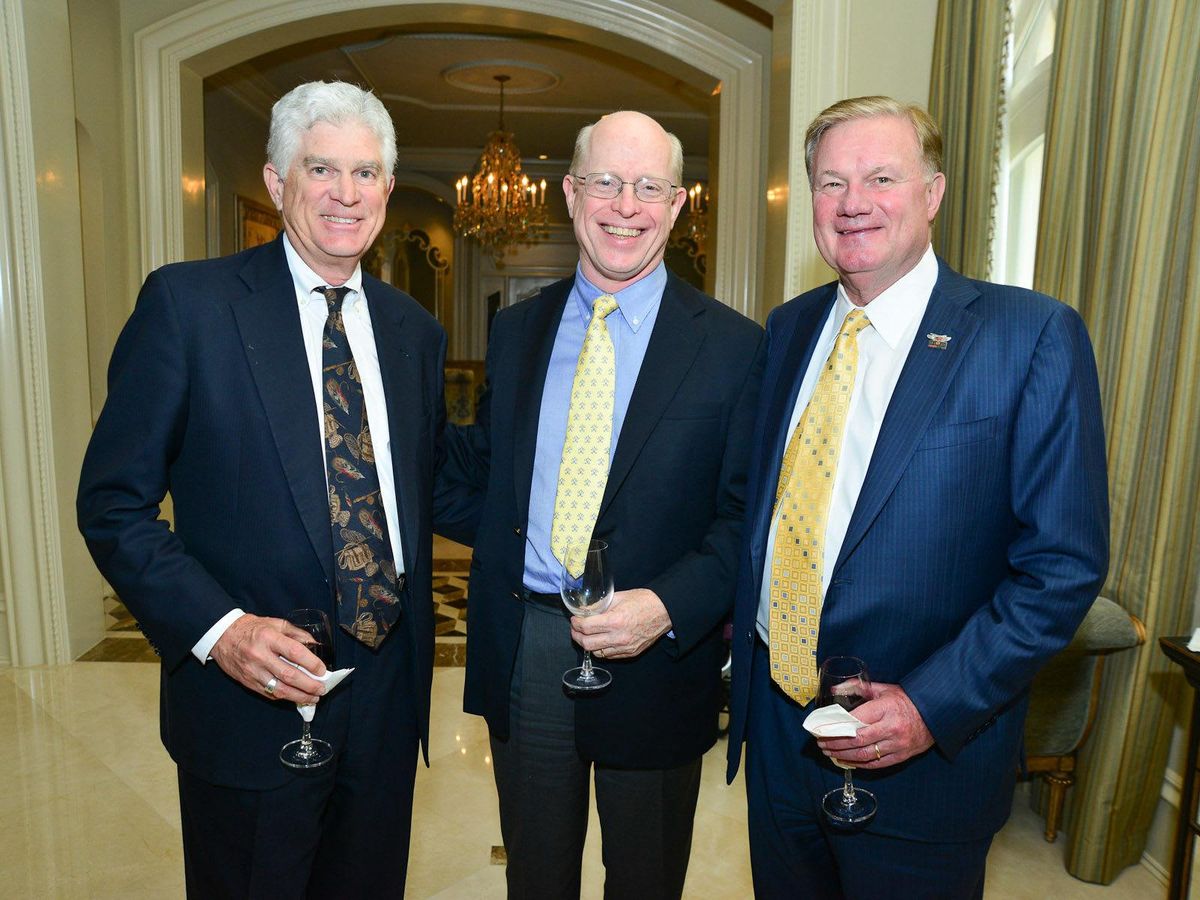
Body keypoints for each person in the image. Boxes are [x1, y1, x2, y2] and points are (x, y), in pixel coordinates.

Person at [725, 96, 1109, 899]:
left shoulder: (1028, 335)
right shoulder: (789, 329)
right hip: (778, 733)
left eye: (881, 178)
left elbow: (1061, 567)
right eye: (831, 182)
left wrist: (931, 706)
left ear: (932, 193)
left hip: (922, 759)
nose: (853, 202)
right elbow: (762, 505)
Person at [76, 81, 447, 898]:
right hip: (250, 696)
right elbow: (112, 504)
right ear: (278, 183)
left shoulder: (414, 333)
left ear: (388, 187)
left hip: (386, 701)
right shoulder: (190, 307)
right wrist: (221, 631)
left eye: (365, 172)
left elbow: (425, 486)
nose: (346, 193)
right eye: (321, 169)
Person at [442, 110, 764, 899]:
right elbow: (491, 474)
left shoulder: (735, 348)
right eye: (607, 183)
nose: (626, 206)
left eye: (649, 187)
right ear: (570, 193)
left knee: (646, 881)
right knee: (536, 877)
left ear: (678, 204)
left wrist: (669, 605)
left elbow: (747, 520)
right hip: (529, 645)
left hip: (658, 658)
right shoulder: (517, 330)